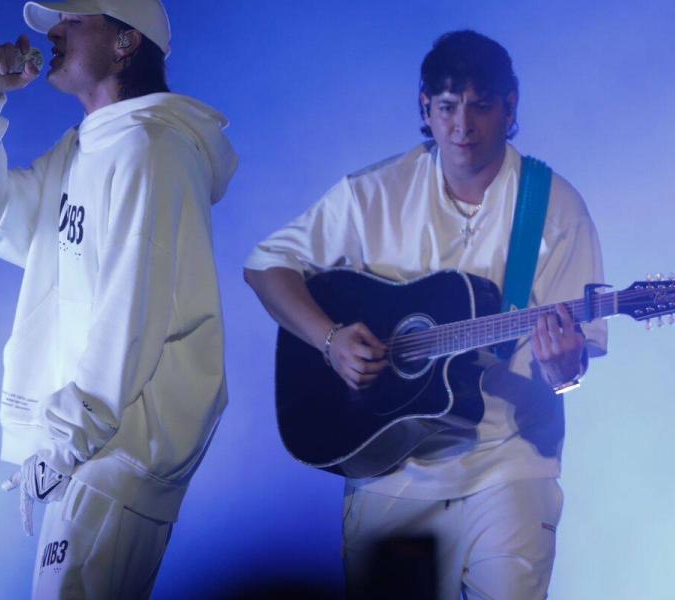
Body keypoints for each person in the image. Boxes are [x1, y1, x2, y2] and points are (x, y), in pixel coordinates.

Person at [243, 30, 607, 599]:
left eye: (481, 106)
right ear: (424, 107)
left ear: (510, 107)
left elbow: (568, 367)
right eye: (446, 107)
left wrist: (566, 372)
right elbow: (267, 267)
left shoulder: (555, 207)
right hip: (393, 470)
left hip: (509, 466)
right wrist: (331, 338)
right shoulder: (372, 194)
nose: (462, 126)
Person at [0, 0, 237, 596]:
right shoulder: (90, 146)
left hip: (115, 450)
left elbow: (133, 310)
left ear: (126, 42)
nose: (52, 32)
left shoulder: (151, 150)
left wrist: (66, 441)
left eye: (72, 20)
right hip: (91, 448)